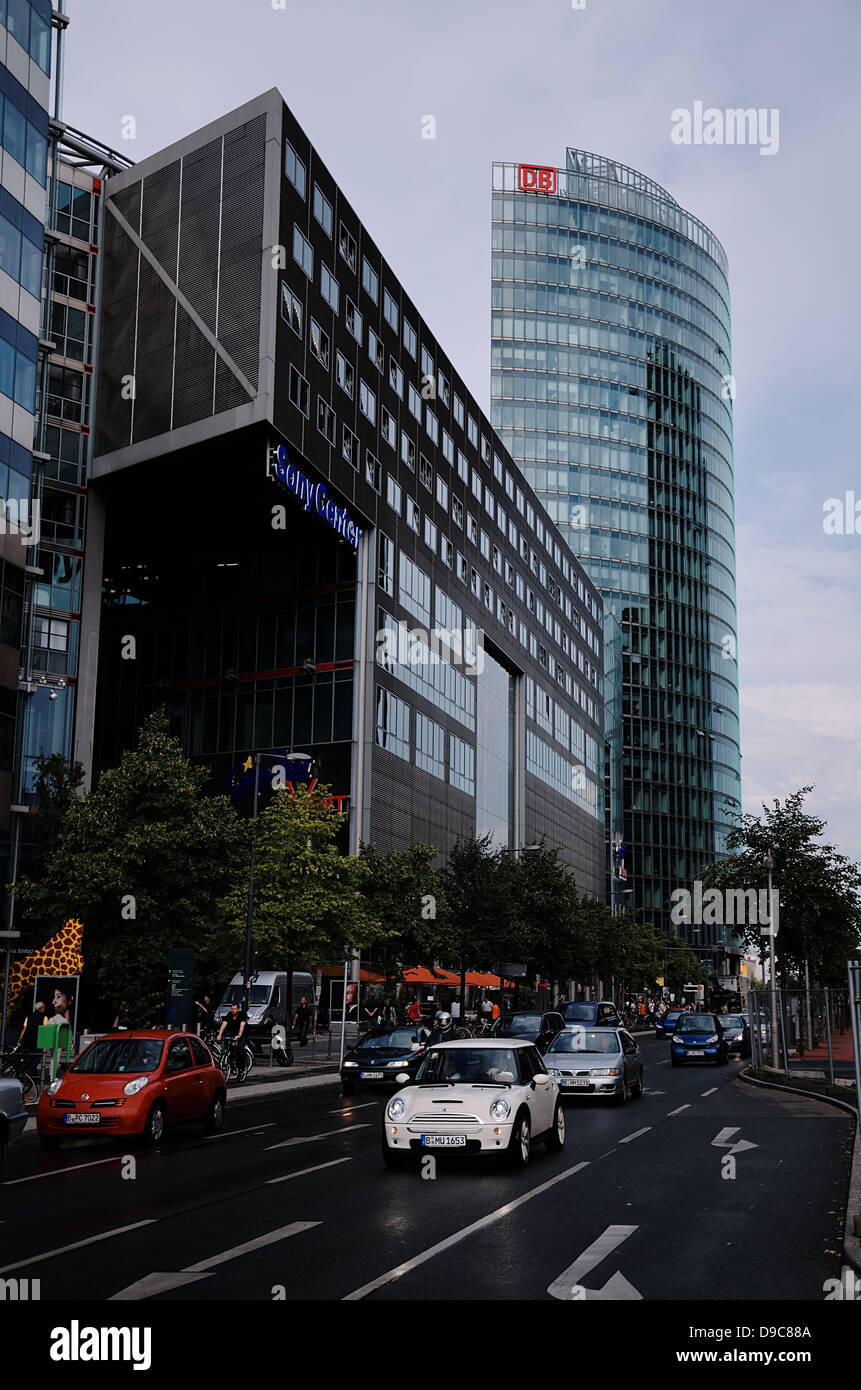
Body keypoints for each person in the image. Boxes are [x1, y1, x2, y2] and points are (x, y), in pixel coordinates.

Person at [218, 1001, 249, 1066]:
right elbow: (224, 1025)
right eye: (232, 1009)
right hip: (232, 1033)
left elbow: (242, 1026)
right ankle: (231, 1065)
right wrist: (219, 1035)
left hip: (242, 1034)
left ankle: (241, 1067)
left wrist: (239, 1035)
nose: (233, 1010)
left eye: (234, 1009)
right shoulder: (229, 1014)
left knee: (240, 1049)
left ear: (238, 1009)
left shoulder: (242, 1015)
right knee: (230, 1049)